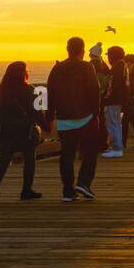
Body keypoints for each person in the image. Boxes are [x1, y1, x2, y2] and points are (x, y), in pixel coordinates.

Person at [46, 36, 101, 201]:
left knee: (67, 156)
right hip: (86, 118)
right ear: (82, 51)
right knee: (90, 152)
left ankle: (67, 191)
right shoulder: (86, 67)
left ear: (67, 50)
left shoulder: (57, 69)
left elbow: (50, 93)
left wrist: (50, 116)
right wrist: (95, 114)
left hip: (64, 120)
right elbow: (94, 90)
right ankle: (83, 183)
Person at [0, 61, 46, 204]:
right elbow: (38, 114)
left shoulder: (0, 90)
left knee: (3, 162)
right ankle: (26, 190)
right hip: (25, 133)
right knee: (30, 161)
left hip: (5, 133)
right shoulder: (30, 90)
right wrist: (44, 125)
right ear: (23, 74)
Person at [101, 45, 130, 158]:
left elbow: (114, 84)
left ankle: (117, 148)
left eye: (109, 56)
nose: (109, 59)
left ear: (113, 56)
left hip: (113, 100)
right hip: (118, 100)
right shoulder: (123, 66)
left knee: (112, 124)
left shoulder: (118, 67)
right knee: (117, 124)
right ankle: (118, 147)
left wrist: (107, 97)